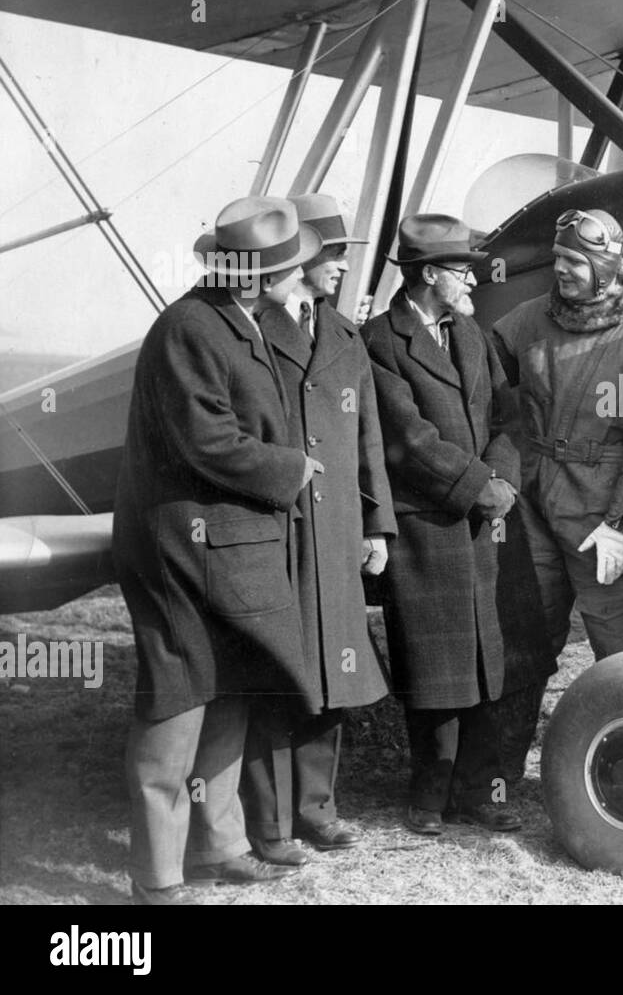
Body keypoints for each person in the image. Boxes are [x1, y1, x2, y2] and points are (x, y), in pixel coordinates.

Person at [114, 195, 324, 903]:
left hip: (225, 545)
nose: (289, 279)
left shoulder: (235, 321)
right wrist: (291, 469)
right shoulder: (188, 328)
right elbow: (206, 440)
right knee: (178, 694)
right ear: (254, 273)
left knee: (228, 686)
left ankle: (219, 842)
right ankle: (158, 875)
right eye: (282, 270)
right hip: (180, 549)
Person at [240, 194, 396, 865]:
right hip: (278, 529)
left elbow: (368, 442)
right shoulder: (249, 330)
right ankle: (271, 826)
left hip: (335, 532)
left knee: (337, 667)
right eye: (334, 256)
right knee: (281, 675)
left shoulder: (344, 336)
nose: (341, 268)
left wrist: (377, 526)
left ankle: (317, 809)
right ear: (302, 259)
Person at [362, 214, 522, 835]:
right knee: (434, 669)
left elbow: (509, 417)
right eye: (464, 272)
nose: (475, 283)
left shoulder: (473, 335)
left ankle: (478, 793)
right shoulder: (379, 342)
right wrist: (482, 488)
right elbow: (408, 440)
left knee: (484, 663)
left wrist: (501, 481)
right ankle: (428, 797)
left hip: (481, 521)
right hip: (428, 527)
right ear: (430, 275)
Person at [491, 208, 623, 662]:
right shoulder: (532, 317)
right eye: (558, 257)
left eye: (575, 261)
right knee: (527, 633)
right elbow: (479, 374)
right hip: (534, 497)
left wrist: (620, 525)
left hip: (603, 507)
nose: (560, 268)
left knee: (621, 645)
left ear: (604, 269)